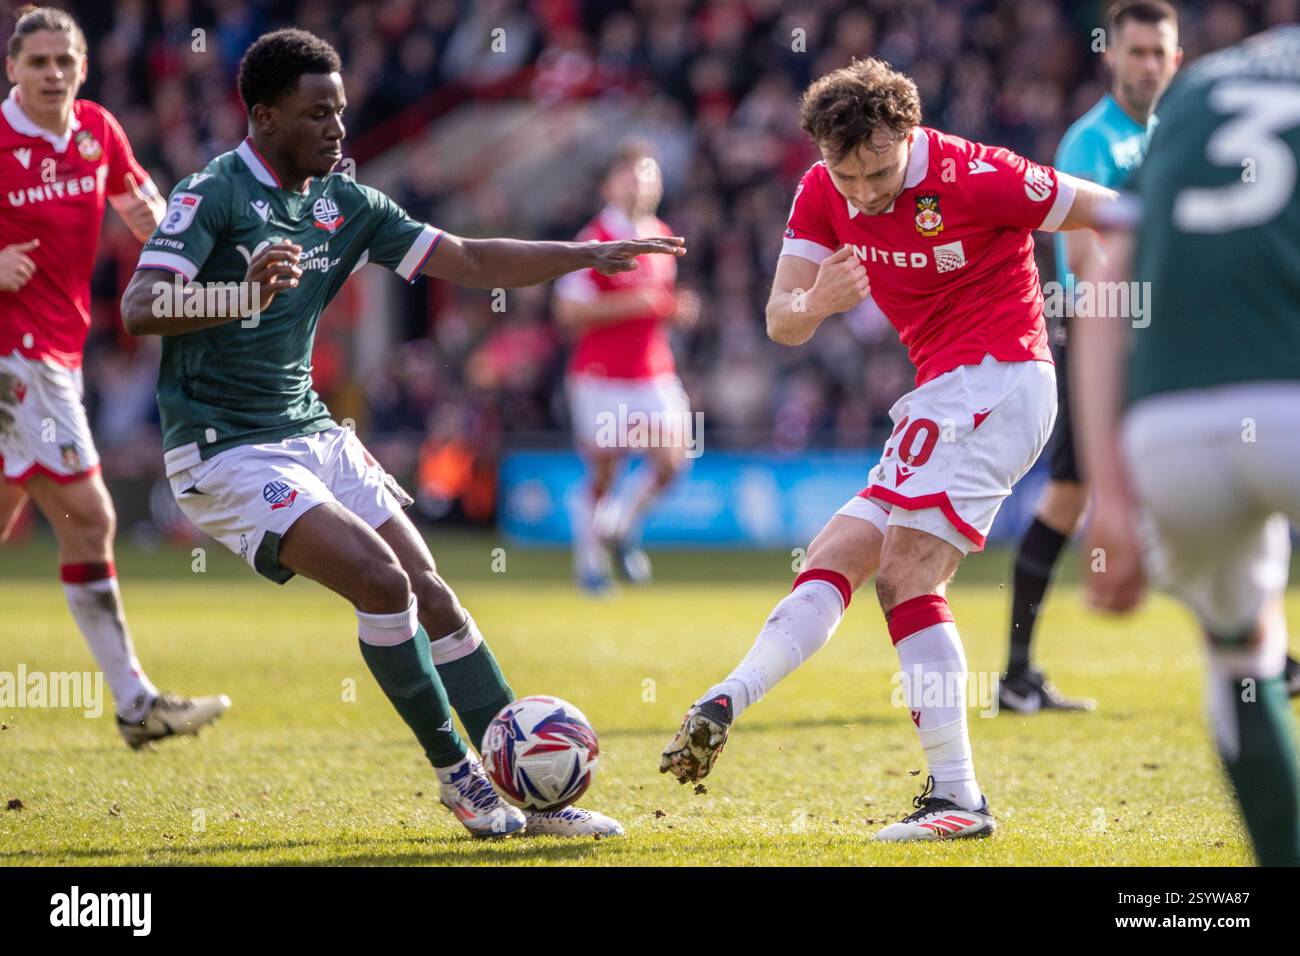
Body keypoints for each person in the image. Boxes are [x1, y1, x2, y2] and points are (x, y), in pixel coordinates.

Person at [120, 28, 684, 838]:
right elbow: (140, 307)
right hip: (222, 448)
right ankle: (462, 779)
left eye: (342, 112)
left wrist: (589, 254)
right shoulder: (211, 196)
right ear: (264, 118)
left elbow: (472, 261)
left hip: (310, 431)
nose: (337, 129)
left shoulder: (342, 202)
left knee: (436, 597)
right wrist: (234, 297)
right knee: (382, 585)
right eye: (317, 115)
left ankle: (530, 793)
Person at [660, 57, 1120, 841]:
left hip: (1001, 379)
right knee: (836, 553)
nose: (866, 194)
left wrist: (1125, 297)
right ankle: (725, 700)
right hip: (943, 393)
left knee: (906, 571)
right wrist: (819, 300)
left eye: (879, 170)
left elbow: (1114, 210)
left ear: (909, 134)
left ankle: (958, 800)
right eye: (849, 178)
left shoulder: (978, 174)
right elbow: (781, 320)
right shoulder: (820, 191)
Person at [1074, 24, 1300, 868]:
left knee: (1240, 655)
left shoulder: (1204, 86)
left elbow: (1108, 280)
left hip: (1171, 427)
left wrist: (1112, 496)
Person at [0, 5, 229, 748]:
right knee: (90, 517)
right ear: (12, 69)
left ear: (84, 67)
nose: (53, 74)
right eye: (38, 62)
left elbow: (146, 213)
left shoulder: (97, 131)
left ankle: (136, 705)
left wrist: (197, 268)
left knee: (48, 518)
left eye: (65, 61)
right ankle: (135, 702)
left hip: (56, 356)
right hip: (14, 356)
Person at [1000, 0, 1184, 714]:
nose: (1146, 64)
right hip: (1100, 335)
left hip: (1155, 336)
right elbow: (1082, 258)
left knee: (1087, 495)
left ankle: (1018, 676)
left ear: (1176, 58)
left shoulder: (1174, 137)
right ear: (1112, 56)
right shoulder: (1091, 142)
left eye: (1157, 52)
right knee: (1070, 495)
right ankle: (1016, 675)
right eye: (1134, 51)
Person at [554, 140, 699, 593]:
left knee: (675, 458)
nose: (641, 183)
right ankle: (590, 566)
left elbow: (654, 307)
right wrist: (632, 304)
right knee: (604, 470)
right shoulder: (593, 239)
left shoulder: (661, 233)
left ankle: (620, 528)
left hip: (652, 370)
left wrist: (675, 309)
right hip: (600, 374)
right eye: (631, 174)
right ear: (610, 184)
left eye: (649, 174)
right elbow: (568, 313)